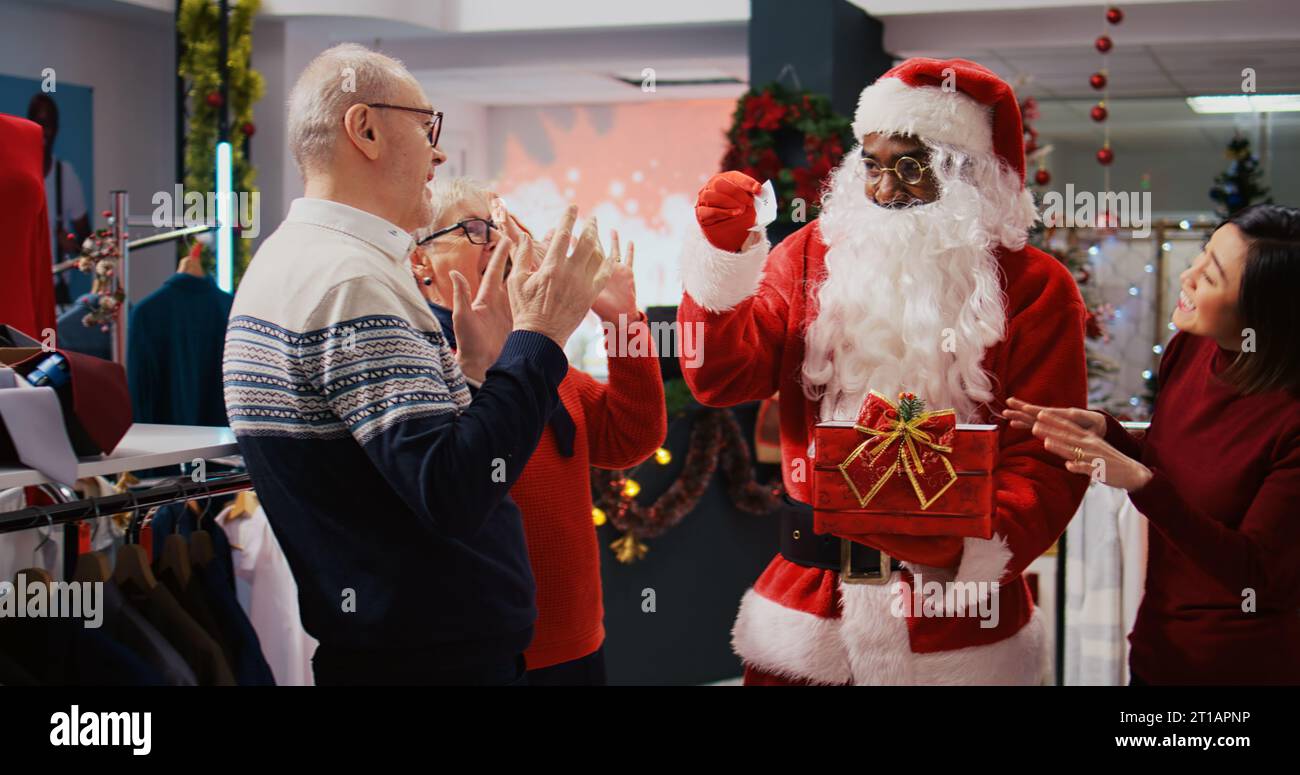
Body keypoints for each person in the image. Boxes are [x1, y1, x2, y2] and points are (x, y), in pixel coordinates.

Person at [677, 58, 1088, 685]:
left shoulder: (1035, 288)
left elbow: (1049, 455)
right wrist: (722, 266)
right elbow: (721, 378)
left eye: (912, 167)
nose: (887, 191)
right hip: (811, 614)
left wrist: (966, 547)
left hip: (959, 628)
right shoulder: (809, 255)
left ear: (965, 174)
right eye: (873, 165)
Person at [222, 43, 611, 686]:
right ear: (364, 129)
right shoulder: (349, 280)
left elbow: (396, 469)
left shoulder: (301, 260)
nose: (438, 154)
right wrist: (539, 336)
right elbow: (453, 492)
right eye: (427, 126)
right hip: (430, 662)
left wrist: (481, 374)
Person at [1004, 204, 1300, 685]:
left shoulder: (1289, 419)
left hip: (1240, 667)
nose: (1187, 275)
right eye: (1202, 256)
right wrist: (1106, 431)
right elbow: (1183, 469)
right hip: (1159, 650)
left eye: (1210, 277)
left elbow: (1257, 577)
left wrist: (1141, 483)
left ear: (1260, 312)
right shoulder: (1193, 348)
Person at [412, 177, 667, 685]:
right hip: (486, 652)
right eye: (476, 228)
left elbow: (630, 439)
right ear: (420, 261)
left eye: (502, 225)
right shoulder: (423, 363)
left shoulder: (536, 357)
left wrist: (621, 322)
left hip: (577, 638)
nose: (500, 241)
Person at [27, 93, 90, 305]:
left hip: (55, 293)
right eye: (37, 123)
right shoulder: (13, 173)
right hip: (19, 289)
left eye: (48, 124)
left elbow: (89, 244)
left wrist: (73, 244)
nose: (43, 130)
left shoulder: (66, 175)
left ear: (56, 129)